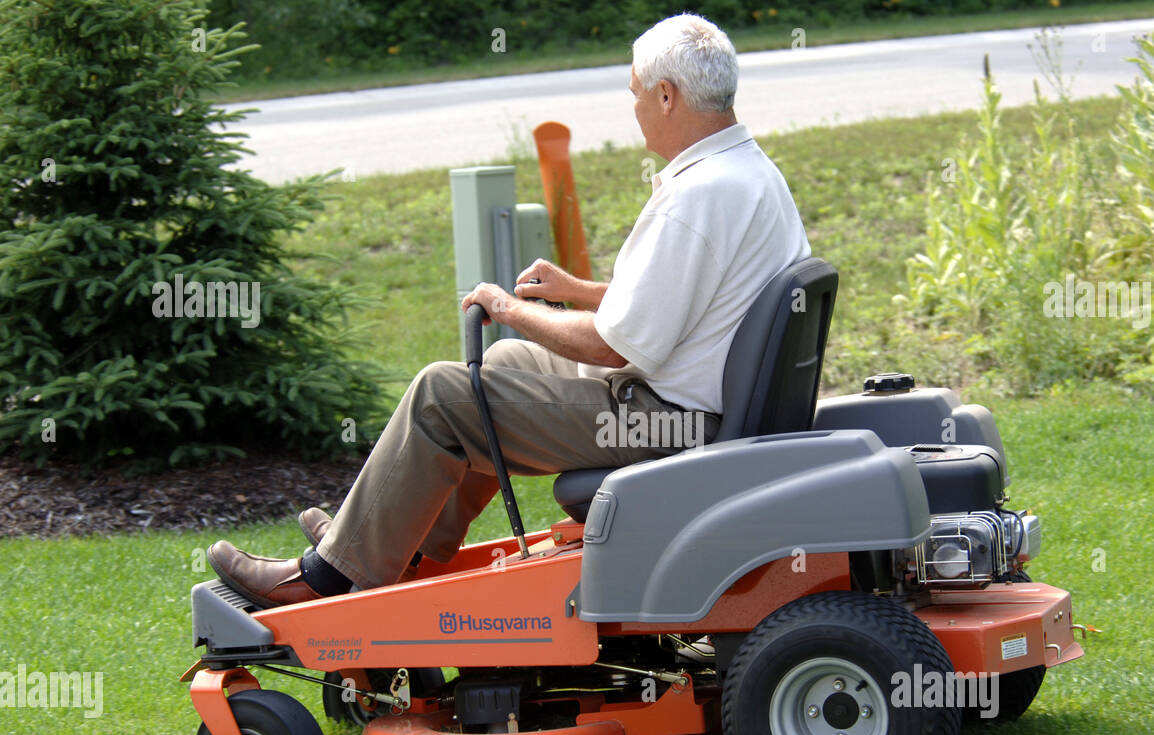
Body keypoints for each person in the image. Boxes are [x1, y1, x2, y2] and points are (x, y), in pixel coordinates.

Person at [206, 13, 811, 608]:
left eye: (635, 94)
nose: (634, 110)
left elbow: (613, 347)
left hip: (669, 425)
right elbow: (694, 300)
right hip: (697, 405)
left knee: (443, 394)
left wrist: (507, 306)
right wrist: (576, 289)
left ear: (666, 93)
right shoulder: (750, 172)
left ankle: (326, 578)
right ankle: (400, 545)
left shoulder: (698, 194)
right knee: (505, 360)